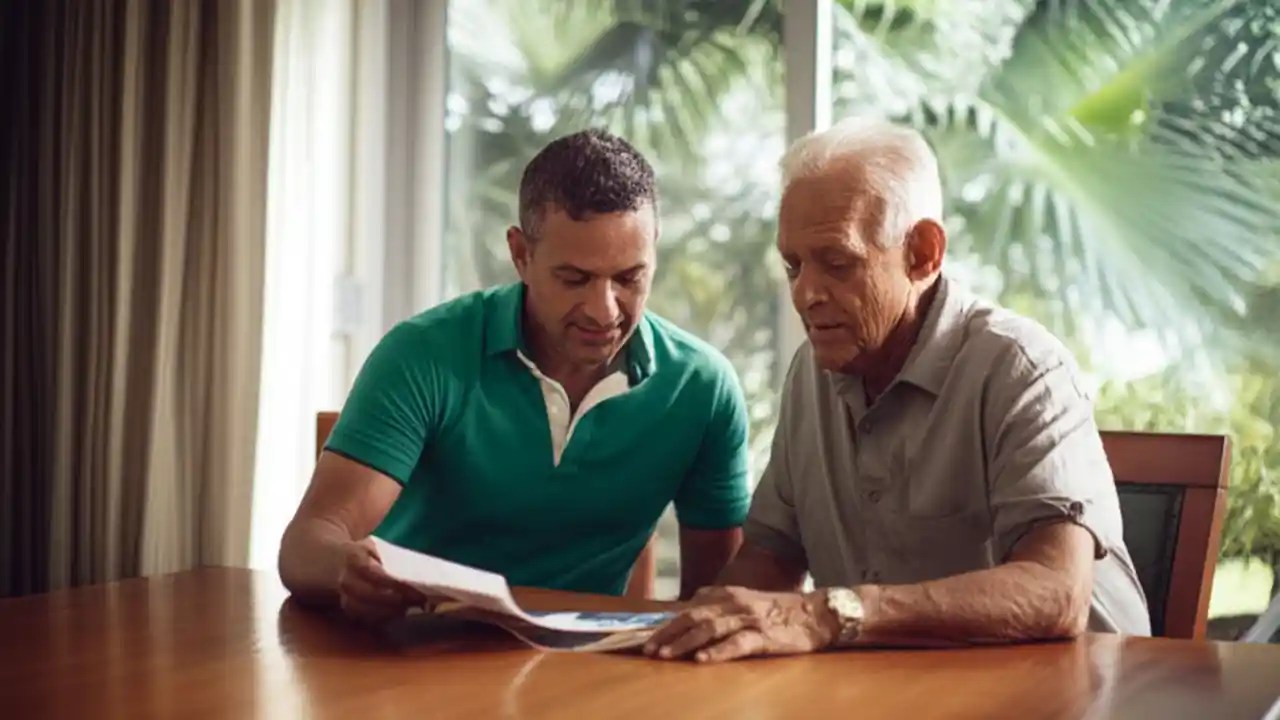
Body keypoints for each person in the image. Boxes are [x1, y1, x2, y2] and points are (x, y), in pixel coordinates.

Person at [644, 118, 1151, 663]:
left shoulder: (1023, 368)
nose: (806, 294)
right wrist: (693, 634)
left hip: (1079, 695)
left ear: (923, 253)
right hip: (906, 690)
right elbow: (771, 556)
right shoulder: (809, 375)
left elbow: (1056, 593)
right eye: (793, 266)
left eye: (837, 263)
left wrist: (830, 613)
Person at [279, 129, 751, 624]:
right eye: (574, 279)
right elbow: (307, 543)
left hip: (584, 669)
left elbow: (715, 599)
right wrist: (344, 568)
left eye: (629, 278)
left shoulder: (702, 388)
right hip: (411, 647)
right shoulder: (423, 354)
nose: (603, 310)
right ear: (521, 254)